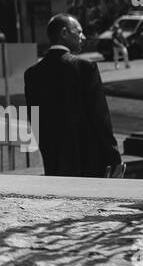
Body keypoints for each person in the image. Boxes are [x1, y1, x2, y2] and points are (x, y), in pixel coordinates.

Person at [23, 13, 123, 178]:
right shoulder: (85, 68)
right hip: (89, 163)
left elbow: (35, 121)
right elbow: (100, 117)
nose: (83, 37)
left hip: (53, 163)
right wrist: (114, 157)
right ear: (64, 33)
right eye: (78, 32)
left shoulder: (32, 74)